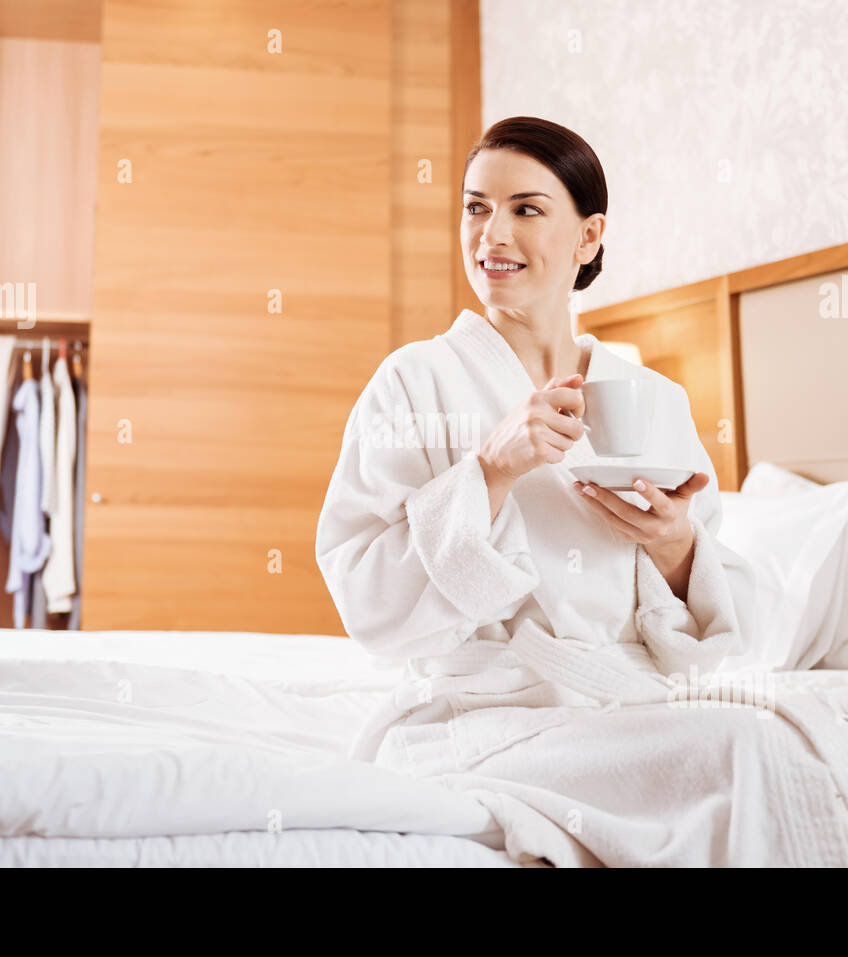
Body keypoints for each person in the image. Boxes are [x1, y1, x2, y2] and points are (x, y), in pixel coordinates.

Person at [315, 116, 757, 774]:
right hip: (479, 713)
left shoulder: (652, 396)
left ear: (589, 235)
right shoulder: (412, 380)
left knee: (763, 759)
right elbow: (365, 597)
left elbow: (715, 641)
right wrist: (489, 473)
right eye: (476, 208)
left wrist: (674, 545)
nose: (492, 234)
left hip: (632, 705)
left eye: (526, 209)